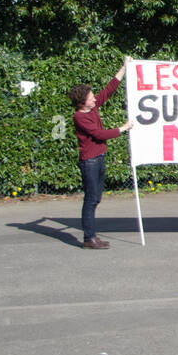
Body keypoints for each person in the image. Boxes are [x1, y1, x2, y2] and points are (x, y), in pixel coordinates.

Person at [70, 58, 135, 250]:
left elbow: (109, 90)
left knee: (96, 198)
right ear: (82, 102)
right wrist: (123, 128)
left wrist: (124, 67)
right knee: (90, 200)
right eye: (90, 97)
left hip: (99, 158)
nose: (94, 98)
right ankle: (89, 238)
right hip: (89, 161)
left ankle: (92, 236)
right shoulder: (80, 117)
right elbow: (99, 134)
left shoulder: (92, 107)